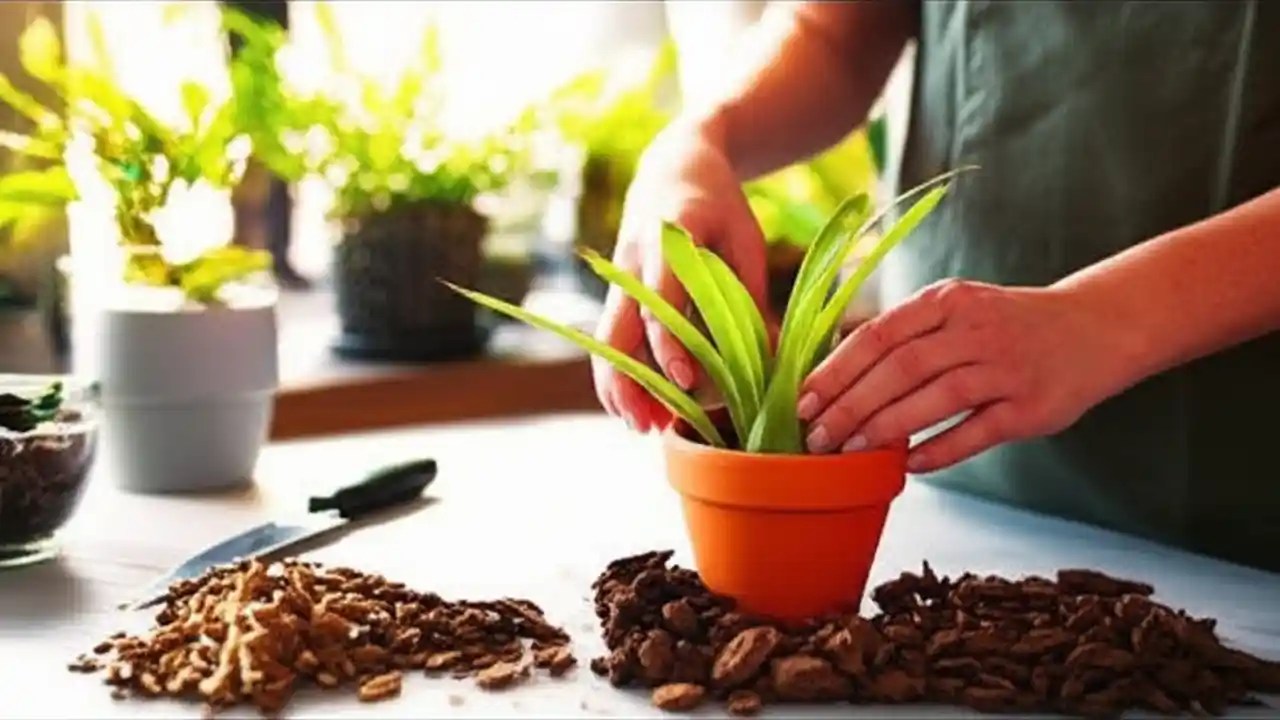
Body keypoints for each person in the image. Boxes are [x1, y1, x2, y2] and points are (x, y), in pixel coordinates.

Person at [593, 2, 1280, 572]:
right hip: (948, 494)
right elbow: (833, 31)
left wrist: (1107, 318)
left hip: (1240, 512)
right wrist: (698, 140)